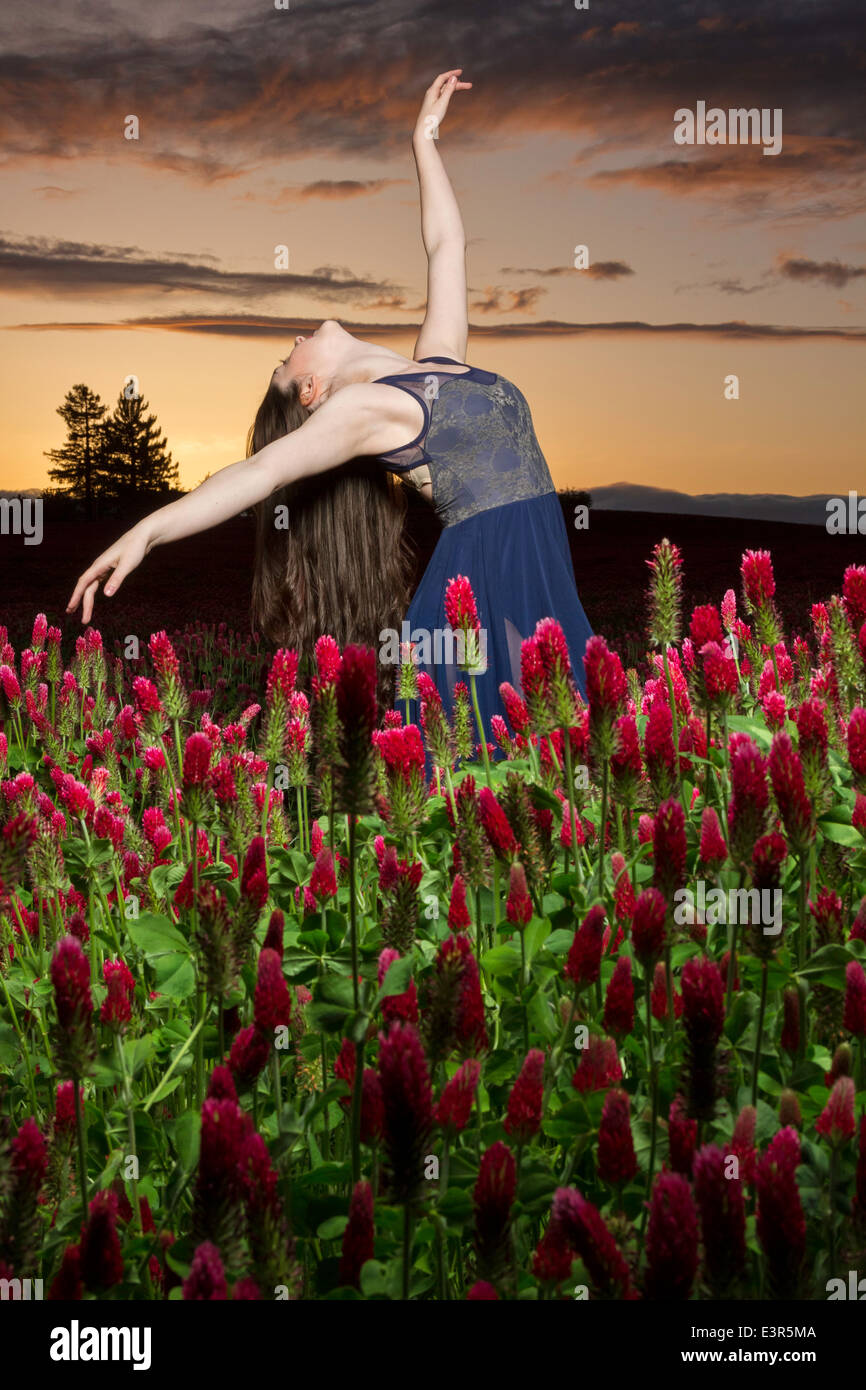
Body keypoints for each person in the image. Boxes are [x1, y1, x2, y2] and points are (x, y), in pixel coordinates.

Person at [67, 70, 593, 733]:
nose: (293, 339)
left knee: (558, 743)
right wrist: (147, 530)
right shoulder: (360, 412)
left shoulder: (434, 366)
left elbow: (446, 245)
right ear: (311, 392)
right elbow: (260, 474)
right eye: (288, 364)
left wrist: (423, 139)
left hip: (531, 549)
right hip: (490, 564)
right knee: (519, 748)